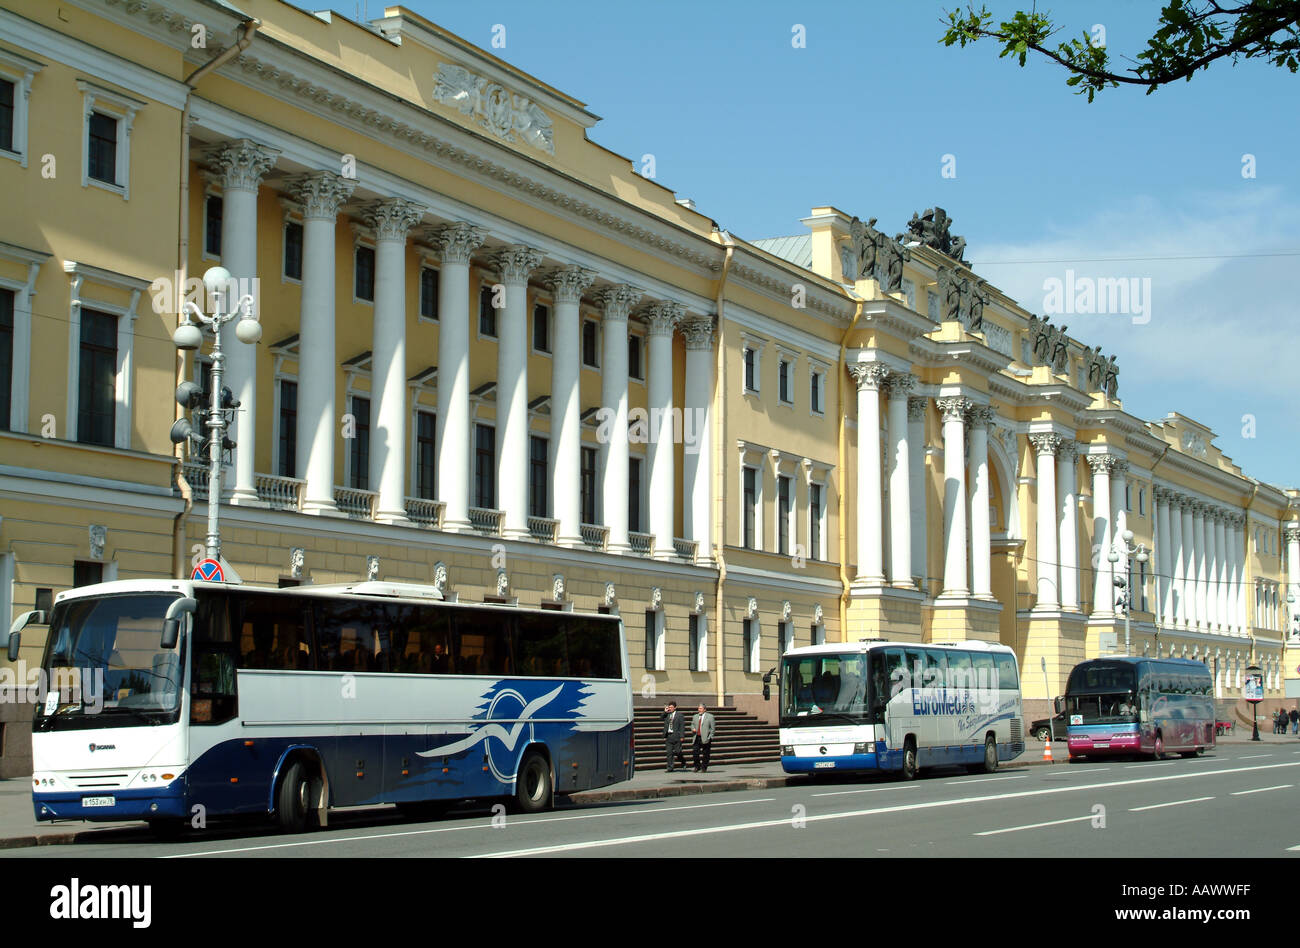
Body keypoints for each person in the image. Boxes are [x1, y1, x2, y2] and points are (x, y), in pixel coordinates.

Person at [691, 703, 716, 773]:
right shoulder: (695, 716)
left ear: (705, 709)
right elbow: (692, 724)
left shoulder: (710, 717)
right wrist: (693, 728)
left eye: (701, 708)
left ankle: (704, 767)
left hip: (706, 738)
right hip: (697, 737)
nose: (699, 710)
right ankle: (697, 766)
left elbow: (712, 728)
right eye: (699, 708)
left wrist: (710, 737)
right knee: (695, 752)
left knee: (706, 754)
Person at [662, 701, 685, 772]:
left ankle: (683, 761)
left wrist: (682, 736)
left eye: (671, 707)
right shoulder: (667, 714)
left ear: (675, 707)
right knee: (669, 752)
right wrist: (665, 712)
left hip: (677, 736)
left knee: (678, 751)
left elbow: (682, 726)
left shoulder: (680, 715)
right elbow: (661, 717)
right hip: (669, 736)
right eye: (669, 707)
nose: (670, 709)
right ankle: (670, 767)